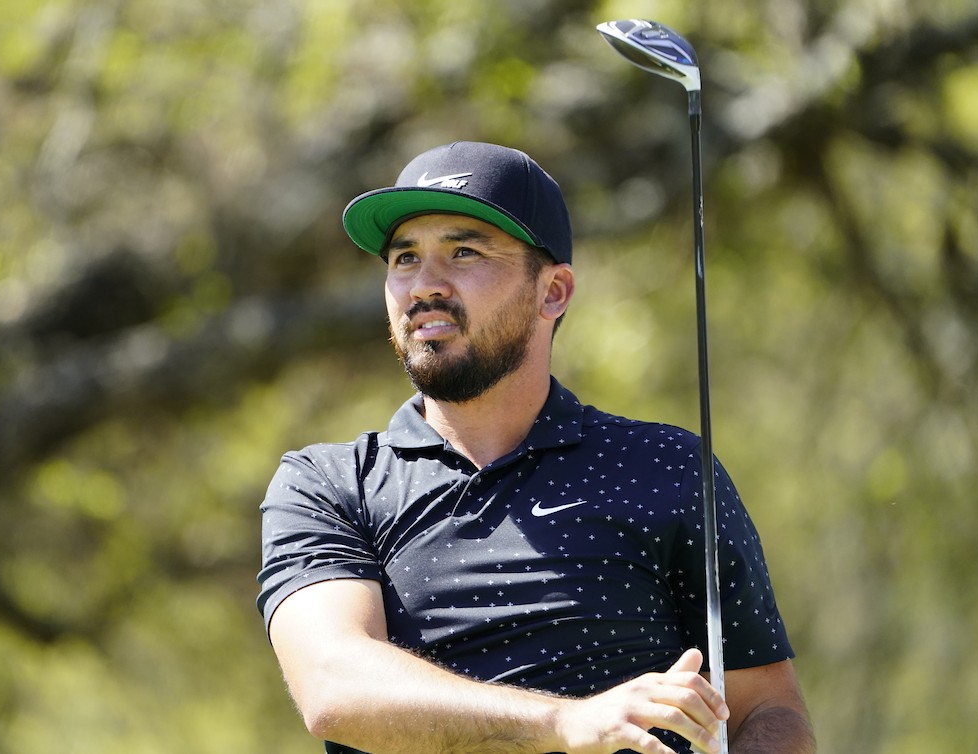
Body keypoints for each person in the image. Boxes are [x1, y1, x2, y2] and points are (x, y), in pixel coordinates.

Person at [257, 141, 814, 754]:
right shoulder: (329, 484)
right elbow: (335, 688)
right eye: (405, 258)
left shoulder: (668, 467)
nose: (424, 285)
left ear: (552, 292)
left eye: (463, 251)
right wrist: (566, 723)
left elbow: (767, 706)